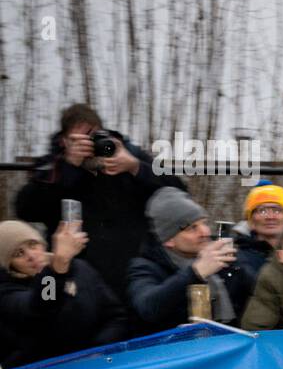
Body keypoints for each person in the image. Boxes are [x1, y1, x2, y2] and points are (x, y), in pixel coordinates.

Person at [15, 103, 183, 305]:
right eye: (78, 140)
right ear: (64, 141)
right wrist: (69, 167)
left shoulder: (128, 156)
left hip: (131, 278)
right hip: (77, 282)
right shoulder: (54, 168)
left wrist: (135, 167)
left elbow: (179, 193)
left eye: (92, 137)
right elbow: (25, 209)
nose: (89, 146)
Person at [0, 219, 127, 367]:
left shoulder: (80, 268)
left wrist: (98, 350)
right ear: (10, 264)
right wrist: (57, 268)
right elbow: (42, 306)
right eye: (19, 253)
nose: (31, 256)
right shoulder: (7, 292)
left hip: (96, 364)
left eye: (32, 244)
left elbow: (115, 316)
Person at [127, 187, 249, 331]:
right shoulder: (144, 267)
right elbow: (148, 308)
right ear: (169, 240)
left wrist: (236, 267)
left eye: (204, 223)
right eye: (192, 228)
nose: (205, 232)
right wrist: (195, 272)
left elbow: (257, 292)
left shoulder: (218, 255)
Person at [231, 182, 283, 294]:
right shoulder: (236, 261)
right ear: (251, 220)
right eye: (262, 210)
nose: (270, 217)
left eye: (277, 210)